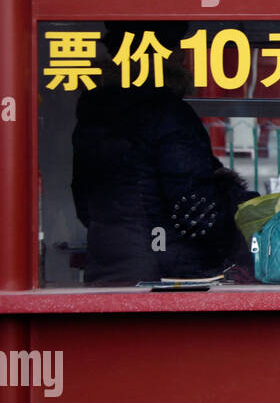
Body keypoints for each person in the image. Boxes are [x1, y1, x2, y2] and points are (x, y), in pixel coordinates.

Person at [72, 21, 255, 285]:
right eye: (178, 46)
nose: (183, 54)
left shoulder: (92, 115)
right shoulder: (168, 114)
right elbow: (197, 213)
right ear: (163, 54)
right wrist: (235, 205)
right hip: (164, 277)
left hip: (106, 269)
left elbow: (84, 207)